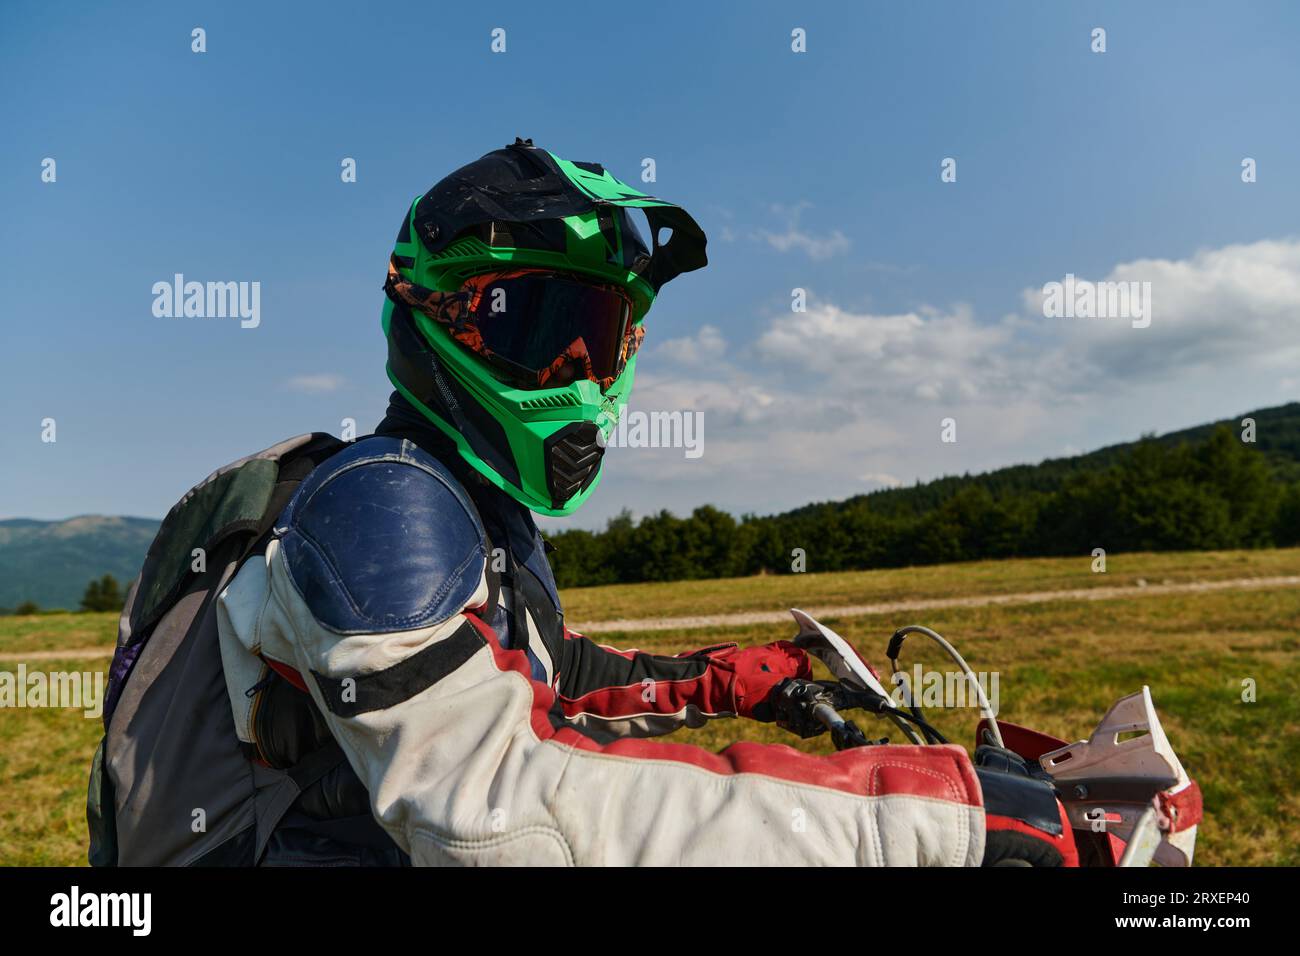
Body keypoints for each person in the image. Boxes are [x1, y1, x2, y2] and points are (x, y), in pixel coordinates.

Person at [100, 140, 1071, 866]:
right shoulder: (374, 505)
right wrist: (940, 815)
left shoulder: (478, 510)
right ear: (428, 312)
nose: (573, 376)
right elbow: (496, 815)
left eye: (595, 339)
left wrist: (730, 679)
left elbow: (545, 669)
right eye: (534, 324)